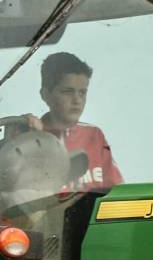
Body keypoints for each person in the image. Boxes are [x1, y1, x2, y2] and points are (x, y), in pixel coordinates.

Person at [36, 50, 122, 190]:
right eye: (68, 91)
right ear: (46, 95)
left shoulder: (94, 136)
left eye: (82, 92)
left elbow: (115, 190)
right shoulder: (31, 139)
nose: (77, 100)